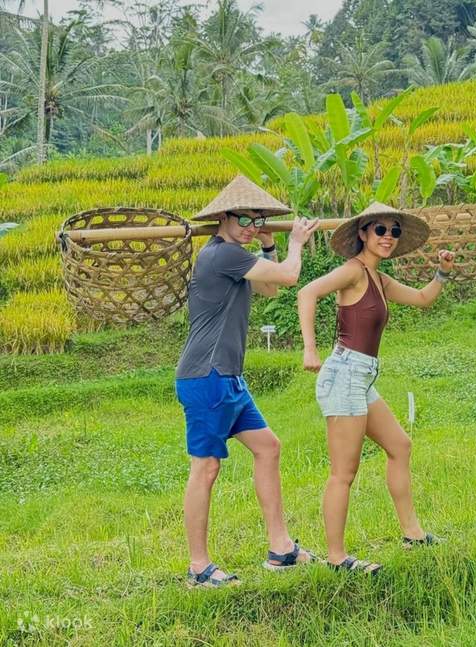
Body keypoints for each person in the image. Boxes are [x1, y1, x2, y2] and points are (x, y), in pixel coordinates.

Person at [296, 202, 456, 575]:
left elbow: (421, 299)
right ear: (363, 234)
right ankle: (336, 558)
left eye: (394, 231)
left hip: (362, 376)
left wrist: (442, 274)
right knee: (344, 472)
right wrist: (309, 347)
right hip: (344, 373)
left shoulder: (379, 279)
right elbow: (307, 293)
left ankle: (413, 534)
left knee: (400, 445)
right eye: (380, 230)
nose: (388, 236)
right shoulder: (352, 271)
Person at [177, 175, 321, 588]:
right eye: (243, 219)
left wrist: (271, 246)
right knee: (206, 468)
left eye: (257, 222)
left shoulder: (237, 255)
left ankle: (281, 549)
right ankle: (199, 568)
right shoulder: (221, 255)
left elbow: (270, 288)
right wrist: (294, 243)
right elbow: (290, 278)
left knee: (268, 447)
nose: (250, 228)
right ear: (224, 216)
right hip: (206, 377)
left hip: (229, 379)